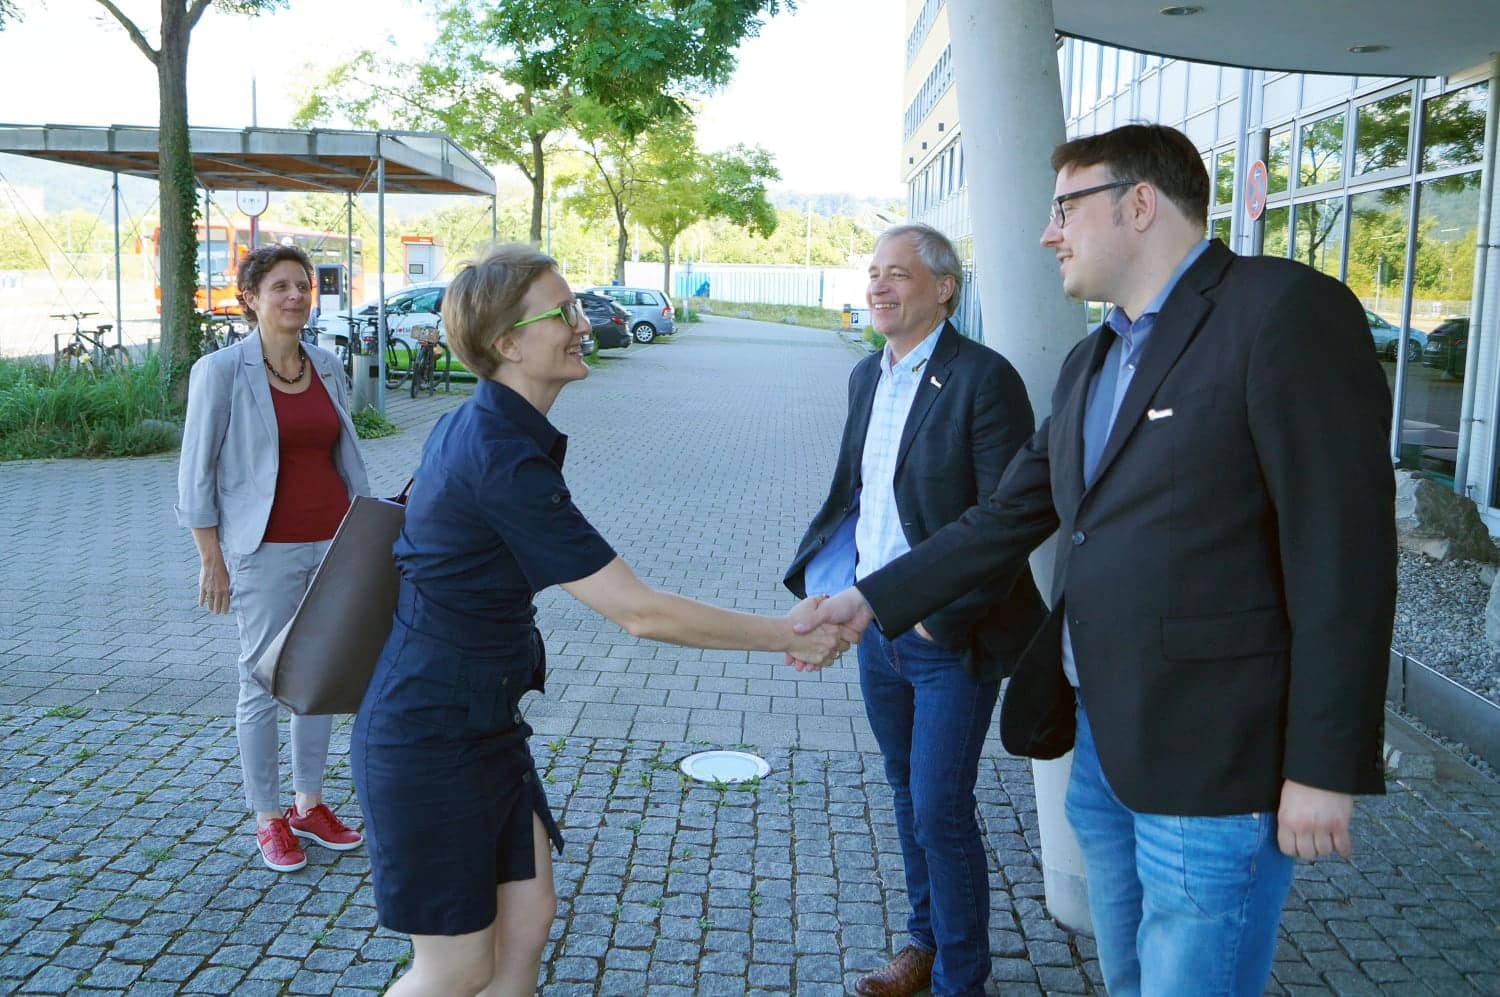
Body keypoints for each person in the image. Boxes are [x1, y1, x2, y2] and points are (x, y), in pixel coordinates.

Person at [803, 123, 1395, 996]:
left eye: (1064, 209)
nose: (1049, 234)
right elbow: (1007, 515)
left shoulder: (1282, 312)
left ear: (1139, 203)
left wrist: (1322, 764)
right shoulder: (1093, 356)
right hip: (1101, 754)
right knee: (1128, 979)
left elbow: (1343, 550)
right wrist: (868, 599)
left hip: (1214, 766)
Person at [352, 243, 851, 997]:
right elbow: (640, 612)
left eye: (578, 307)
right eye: (565, 313)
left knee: (526, 922)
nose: (583, 324)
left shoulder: (494, 430)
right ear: (507, 342)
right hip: (427, 737)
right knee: (454, 967)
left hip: (481, 726)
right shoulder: (498, 454)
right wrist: (788, 632)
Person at [784, 222, 1045, 997]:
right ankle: (925, 944)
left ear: (944, 287)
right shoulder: (869, 374)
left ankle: (963, 978)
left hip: (947, 637)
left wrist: (941, 614)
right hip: (876, 634)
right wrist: (838, 588)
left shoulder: (984, 379)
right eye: (872, 273)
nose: (879, 285)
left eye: (897, 272)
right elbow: (858, 500)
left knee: (940, 806)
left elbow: (1005, 520)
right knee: (905, 791)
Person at [176, 244, 371, 873]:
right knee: (261, 683)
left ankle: (308, 805)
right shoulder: (222, 370)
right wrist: (211, 558)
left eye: (303, 286)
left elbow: (344, 452)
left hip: (335, 542)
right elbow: (195, 472)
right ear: (250, 299)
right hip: (262, 549)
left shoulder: (325, 363)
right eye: (280, 287)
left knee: (317, 681)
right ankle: (267, 818)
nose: (294, 297)